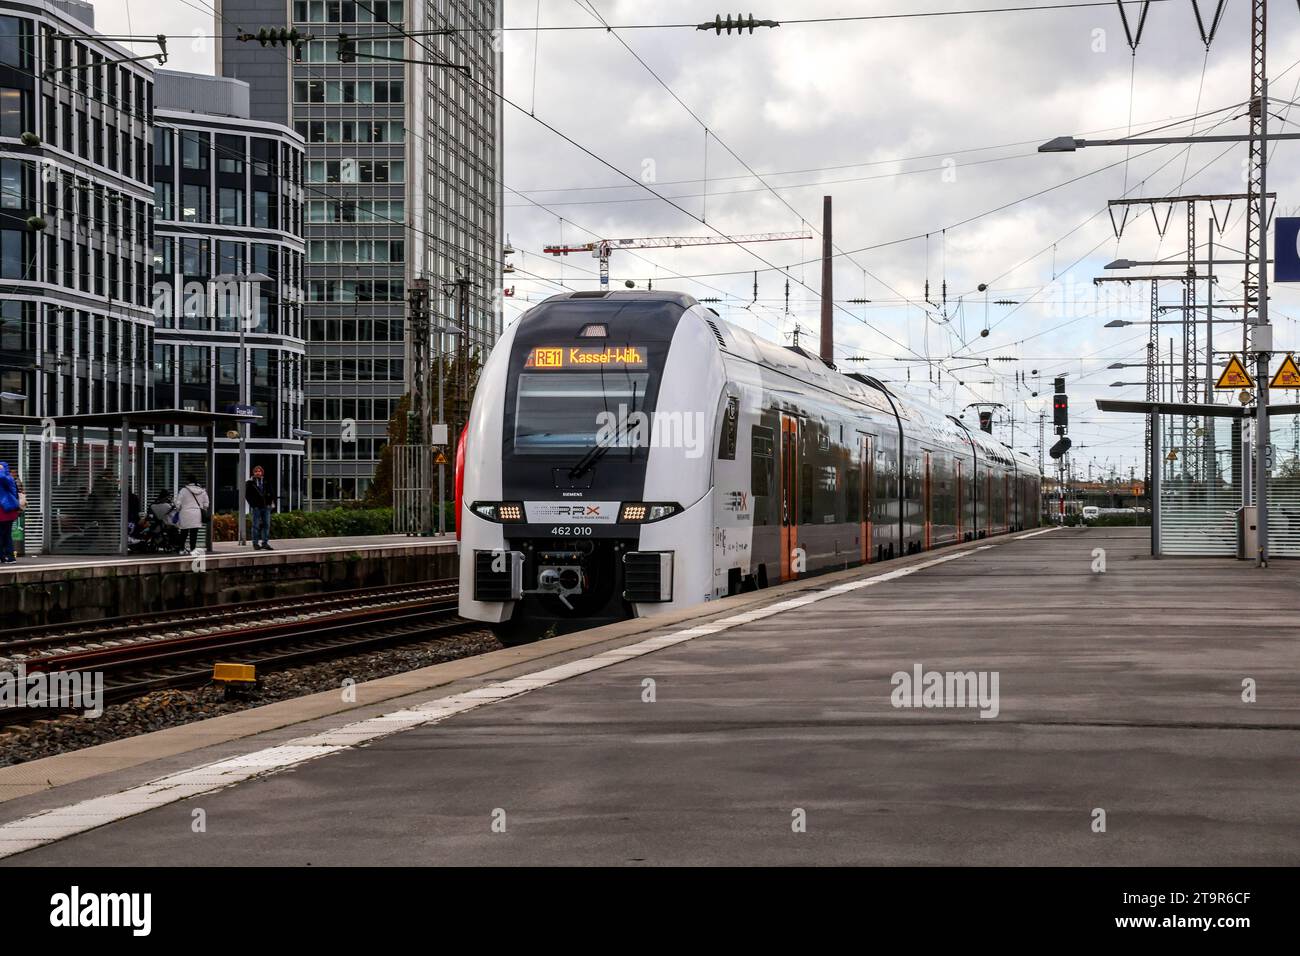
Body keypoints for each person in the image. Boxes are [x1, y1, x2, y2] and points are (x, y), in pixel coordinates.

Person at [172, 475, 210, 556]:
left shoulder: (183, 490)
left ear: (188, 481)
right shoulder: (202, 491)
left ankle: (182, 549)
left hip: (185, 513)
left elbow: (178, 503)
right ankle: (193, 550)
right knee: (194, 533)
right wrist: (201, 508)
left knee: (184, 532)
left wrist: (178, 509)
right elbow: (206, 504)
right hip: (197, 514)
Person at [244, 465, 275, 550]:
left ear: (262, 473)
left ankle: (265, 543)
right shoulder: (250, 483)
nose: (258, 473)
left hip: (266, 507)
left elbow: (271, 493)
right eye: (256, 471)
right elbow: (247, 496)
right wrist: (253, 505)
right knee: (255, 525)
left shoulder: (266, 482)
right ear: (253, 473)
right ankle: (255, 543)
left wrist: (269, 503)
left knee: (266, 525)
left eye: (259, 471)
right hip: (256, 507)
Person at [0, 462, 20, 564]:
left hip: (5, 511)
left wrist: (1, 469)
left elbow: (2, 477)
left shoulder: (7, 478)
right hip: (6, 511)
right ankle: (6, 557)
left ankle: (8, 556)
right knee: (5, 535)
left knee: (4, 535)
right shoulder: (7, 479)